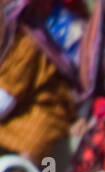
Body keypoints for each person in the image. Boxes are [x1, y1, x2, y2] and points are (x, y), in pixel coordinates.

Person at [0, 0, 78, 162]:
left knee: (32, 144)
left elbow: (6, 97)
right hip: (14, 111)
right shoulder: (6, 43)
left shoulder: (25, 44)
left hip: (43, 107)